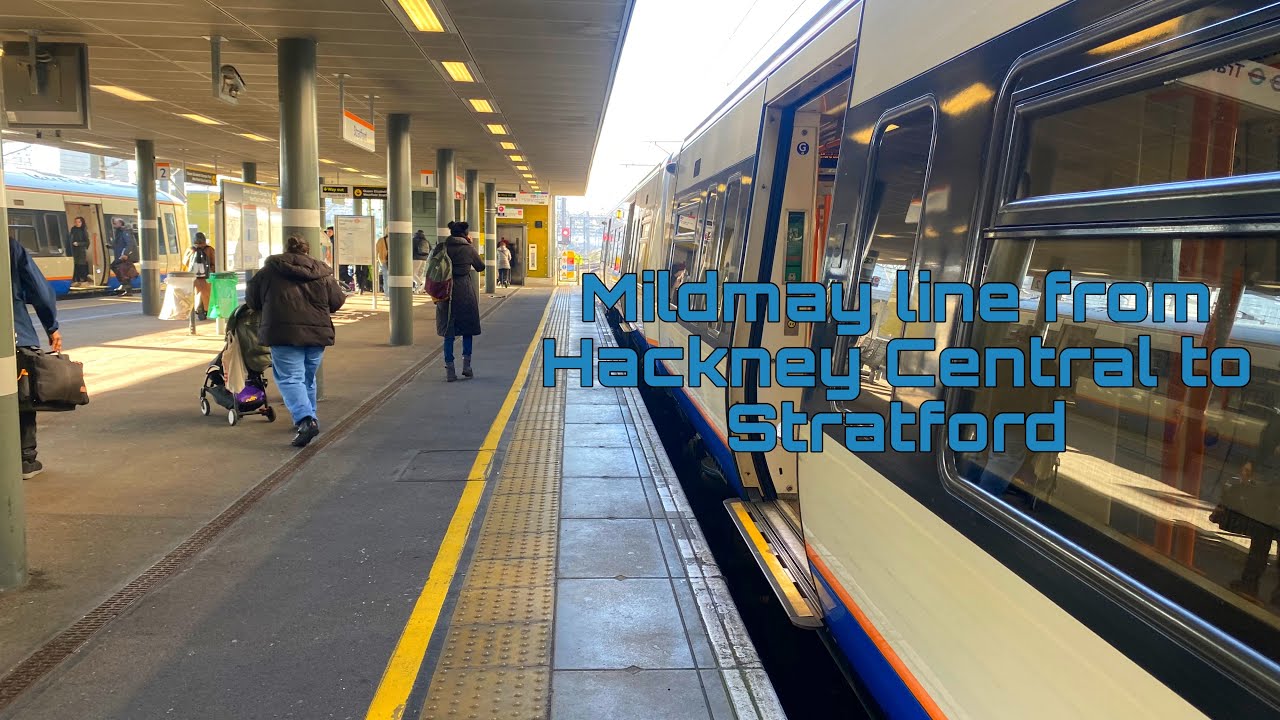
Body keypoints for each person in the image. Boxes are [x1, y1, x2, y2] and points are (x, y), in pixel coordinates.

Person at [245, 236, 345, 447]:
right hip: (316, 333)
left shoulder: (268, 272)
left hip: (283, 333)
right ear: (307, 251)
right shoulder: (322, 272)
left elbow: (252, 300)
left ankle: (306, 420)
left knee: (291, 378)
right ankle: (310, 416)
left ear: (286, 250)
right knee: (307, 377)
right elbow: (337, 301)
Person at [10, 235, 62, 479]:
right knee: (22, 396)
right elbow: (39, 290)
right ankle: (25, 460)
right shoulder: (9, 245)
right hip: (15, 334)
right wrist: (51, 326)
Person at [435, 221, 486, 382]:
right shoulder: (468, 248)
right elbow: (480, 266)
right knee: (467, 329)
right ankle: (467, 366)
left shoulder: (443, 247)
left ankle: (450, 370)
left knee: (448, 333)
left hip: (445, 292)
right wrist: (470, 248)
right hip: (464, 291)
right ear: (465, 234)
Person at [183, 232, 215, 319]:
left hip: (194, 277)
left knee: (196, 293)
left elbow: (185, 262)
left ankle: (197, 309)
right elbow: (214, 262)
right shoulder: (209, 249)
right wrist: (211, 270)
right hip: (206, 277)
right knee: (206, 294)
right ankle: (205, 310)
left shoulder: (190, 250)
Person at [110, 218, 135, 296]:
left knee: (119, 269)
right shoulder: (119, 232)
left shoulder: (124, 232)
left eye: (115, 223)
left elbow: (129, 244)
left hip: (123, 256)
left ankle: (124, 284)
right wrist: (110, 246)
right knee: (124, 271)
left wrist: (125, 254)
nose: (114, 225)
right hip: (120, 255)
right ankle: (127, 290)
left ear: (120, 223)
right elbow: (118, 244)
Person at [68, 217, 91, 286]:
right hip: (73, 250)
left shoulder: (83, 230)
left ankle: (83, 279)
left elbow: (87, 242)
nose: (77, 223)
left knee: (81, 265)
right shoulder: (73, 229)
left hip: (81, 251)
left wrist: (78, 244)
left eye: (79, 222)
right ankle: (76, 279)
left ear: (82, 223)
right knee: (75, 265)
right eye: (76, 222)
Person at [375, 234, 389, 300]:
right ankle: (391, 293)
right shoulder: (395, 240)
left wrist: (376, 260)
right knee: (392, 277)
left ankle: (387, 294)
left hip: (383, 261)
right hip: (393, 261)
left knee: (385, 278)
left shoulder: (380, 240)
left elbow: (376, 251)